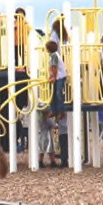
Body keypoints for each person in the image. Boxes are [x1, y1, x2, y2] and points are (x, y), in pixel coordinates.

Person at [44, 39, 67, 167]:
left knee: (58, 94)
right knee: (54, 95)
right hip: (59, 76)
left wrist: (52, 76)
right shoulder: (55, 54)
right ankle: (54, 109)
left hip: (60, 77)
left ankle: (60, 111)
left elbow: (54, 68)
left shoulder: (53, 56)